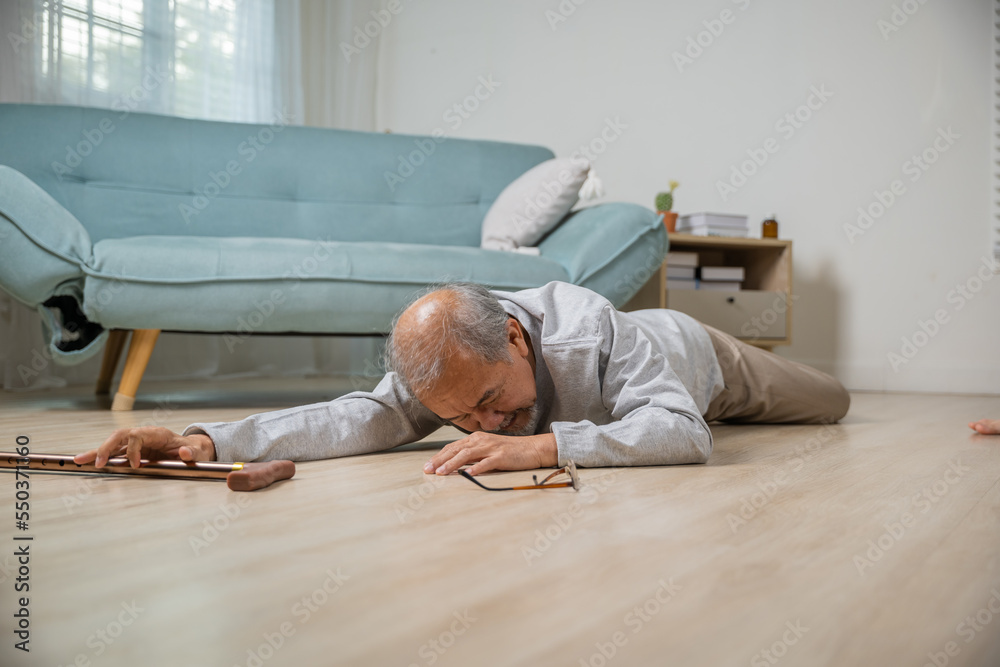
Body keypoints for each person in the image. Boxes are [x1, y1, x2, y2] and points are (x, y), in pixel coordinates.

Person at [74, 281, 850, 476]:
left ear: (515, 338)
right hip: (642, 398)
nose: (484, 427)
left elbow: (684, 431)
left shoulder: (590, 330)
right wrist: (200, 438)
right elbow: (352, 417)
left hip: (696, 360)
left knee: (830, 402)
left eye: (489, 401)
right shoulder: (449, 369)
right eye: (461, 418)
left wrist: (544, 447)